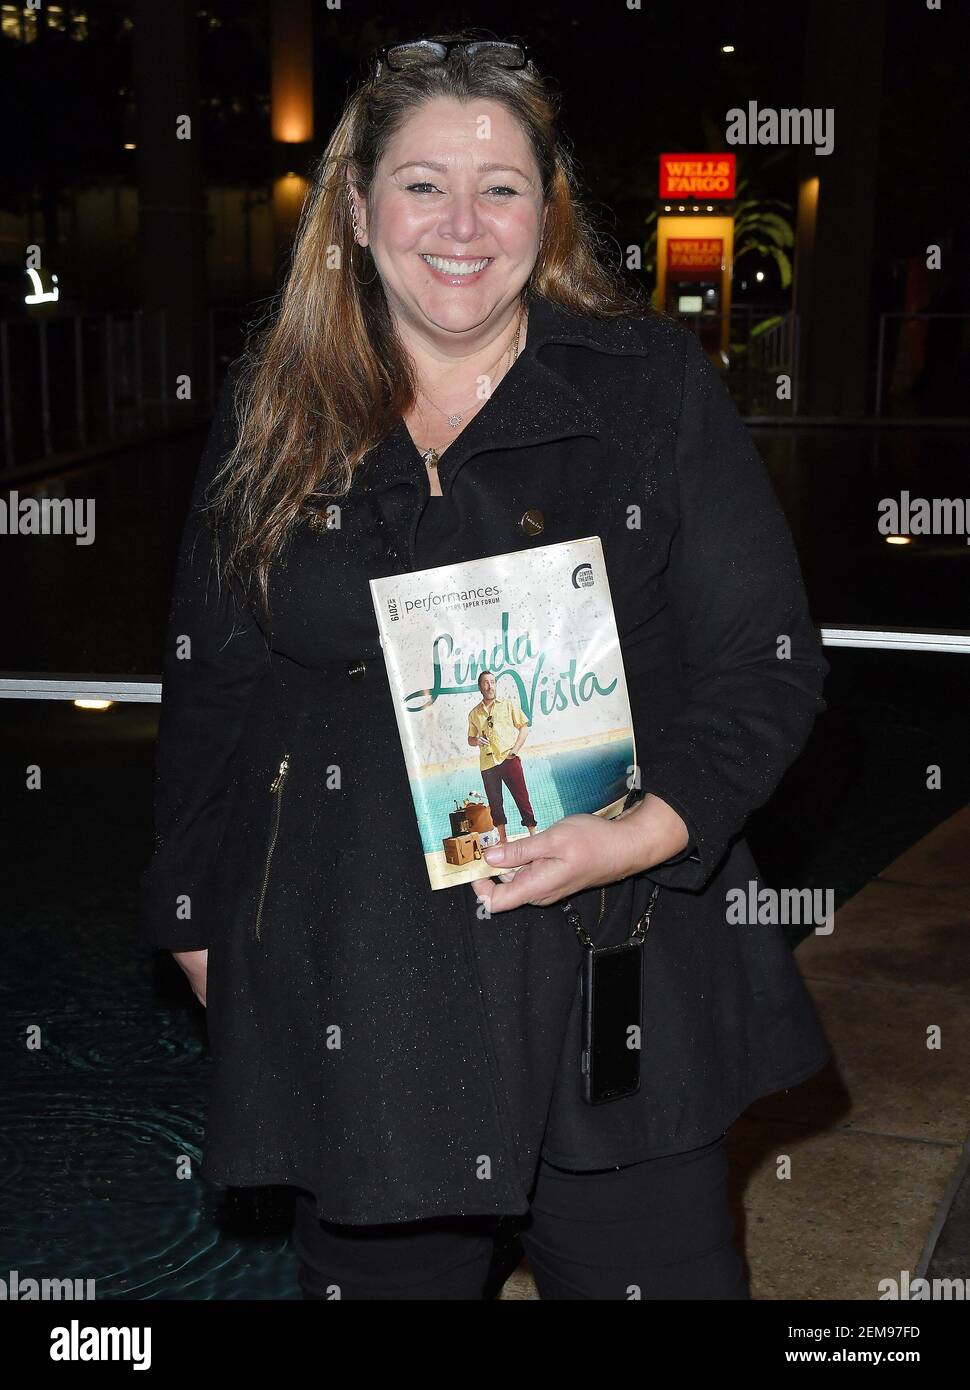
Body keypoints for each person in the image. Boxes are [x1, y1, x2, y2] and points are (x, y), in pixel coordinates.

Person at [140, 30, 832, 1300]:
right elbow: (218, 684)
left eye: (501, 185)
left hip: (610, 957)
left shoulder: (650, 387)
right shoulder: (273, 405)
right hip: (360, 979)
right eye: (421, 183)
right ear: (356, 207)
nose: (462, 223)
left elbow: (766, 660)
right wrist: (193, 916)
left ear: (546, 211)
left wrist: (650, 829)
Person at [467, 669, 537, 843]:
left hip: (508, 759)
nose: (490, 686)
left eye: (493, 681)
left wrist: (514, 751)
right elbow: (470, 739)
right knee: (495, 803)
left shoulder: (507, 704)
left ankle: (533, 834)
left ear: (496, 684)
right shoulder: (474, 713)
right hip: (488, 763)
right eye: (486, 682)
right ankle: (503, 839)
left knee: (522, 797)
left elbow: (525, 727)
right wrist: (477, 740)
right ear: (480, 687)